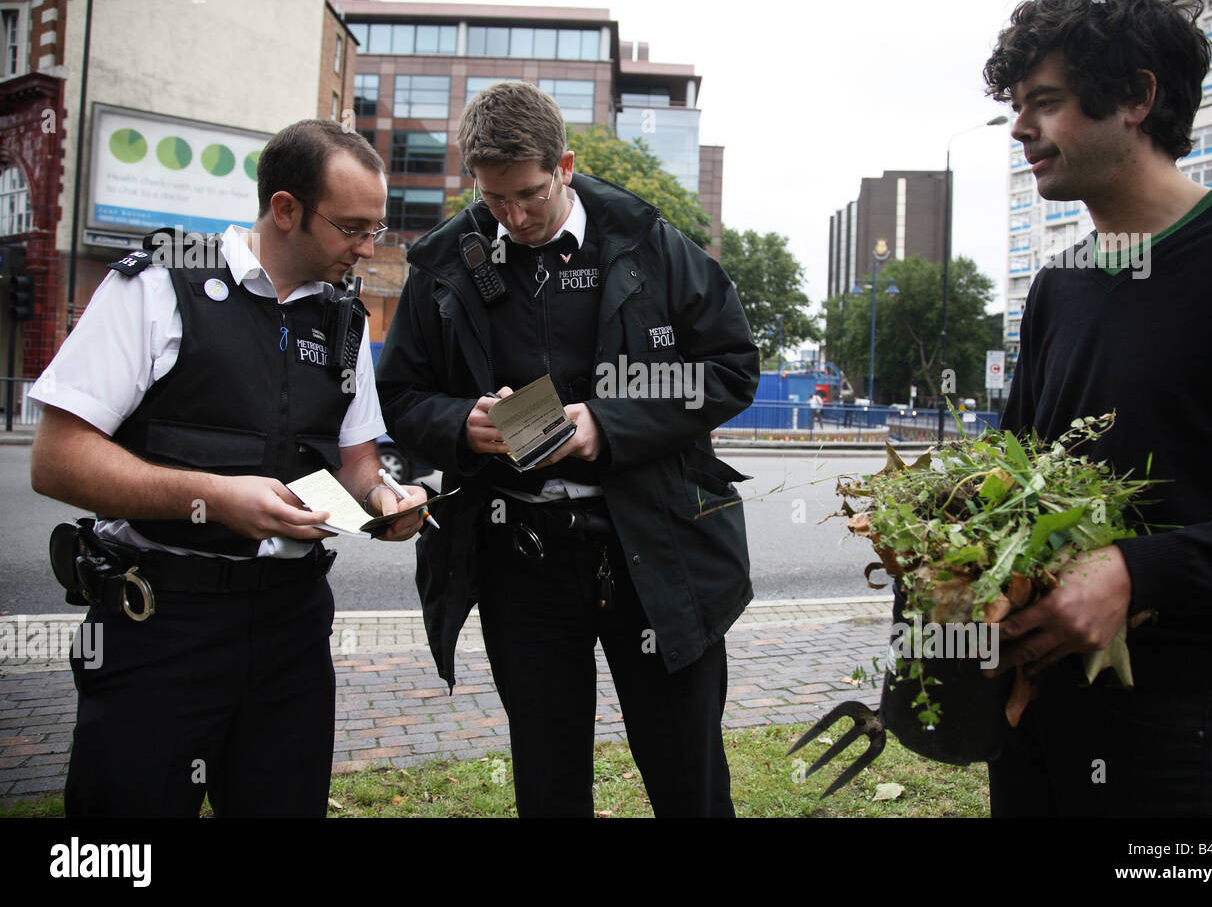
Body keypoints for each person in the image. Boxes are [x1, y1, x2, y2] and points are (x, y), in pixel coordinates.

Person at [377, 81, 759, 817]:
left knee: (688, 774)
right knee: (548, 782)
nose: (513, 218)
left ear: (566, 165)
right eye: (494, 200)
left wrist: (607, 425)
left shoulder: (650, 242)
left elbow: (731, 367)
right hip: (521, 562)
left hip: (652, 548)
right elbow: (401, 395)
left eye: (529, 195)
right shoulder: (445, 266)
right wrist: (462, 423)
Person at [29, 119, 426, 817]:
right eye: (352, 228)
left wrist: (387, 499)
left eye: (376, 228)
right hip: (160, 624)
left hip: (292, 628)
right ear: (285, 209)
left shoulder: (345, 320)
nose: (368, 248)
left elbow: (360, 463)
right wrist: (213, 498)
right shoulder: (156, 287)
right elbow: (58, 460)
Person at [983, 0, 1212, 816]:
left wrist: (1136, 570)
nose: (1020, 128)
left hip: (1183, 734)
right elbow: (1011, 480)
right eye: (1015, 105)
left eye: (1042, 101)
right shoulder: (1059, 286)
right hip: (1036, 715)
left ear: (1135, 96)